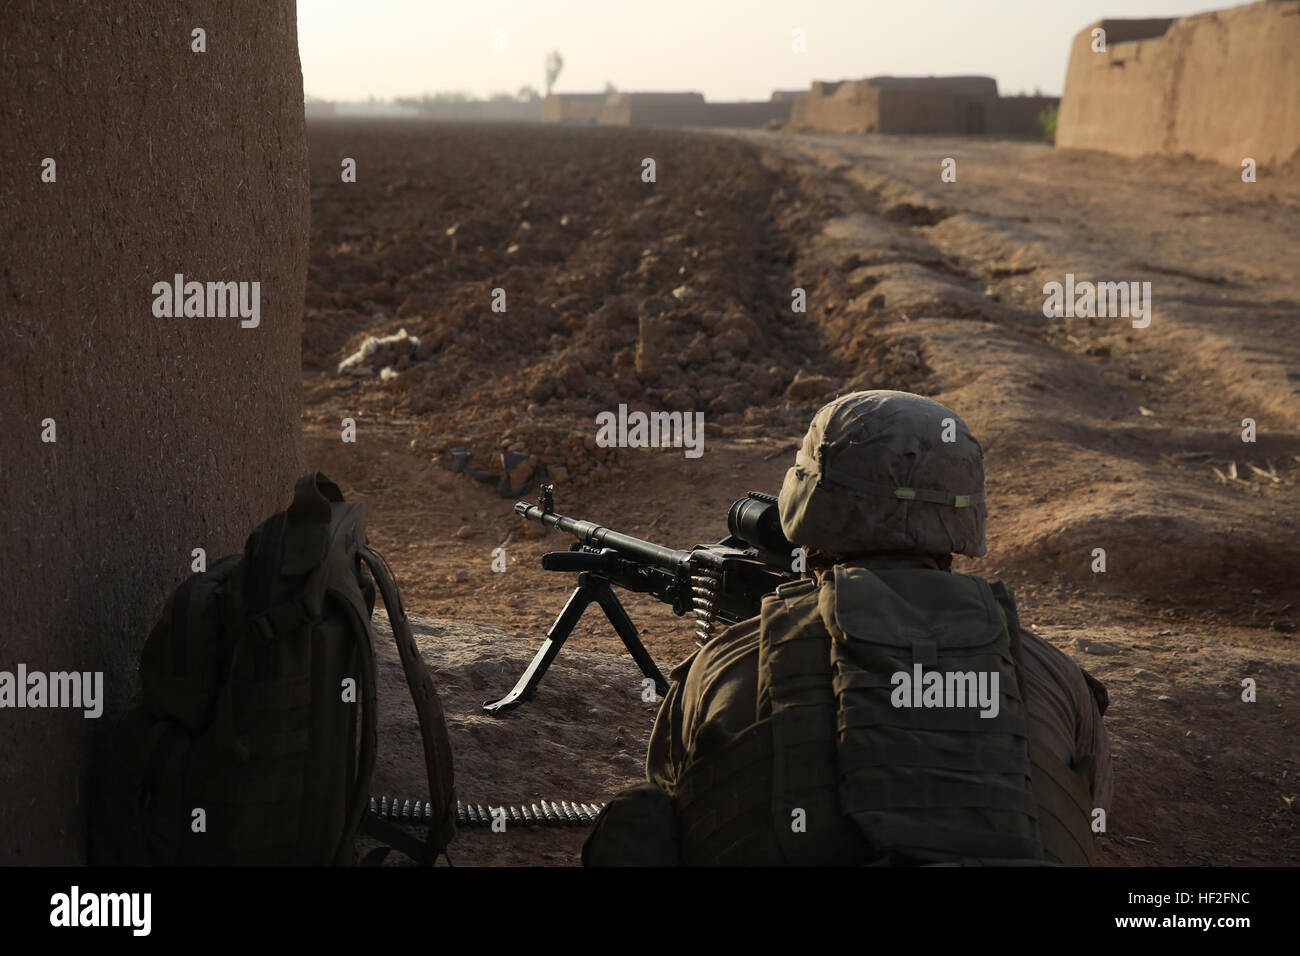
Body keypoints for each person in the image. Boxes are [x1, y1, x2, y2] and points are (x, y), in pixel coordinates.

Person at [583, 389, 1112, 866]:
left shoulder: (727, 663)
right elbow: (1086, 815)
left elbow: (677, 793)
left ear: (807, 505)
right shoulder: (1053, 675)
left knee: (639, 817)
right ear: (962, 517)